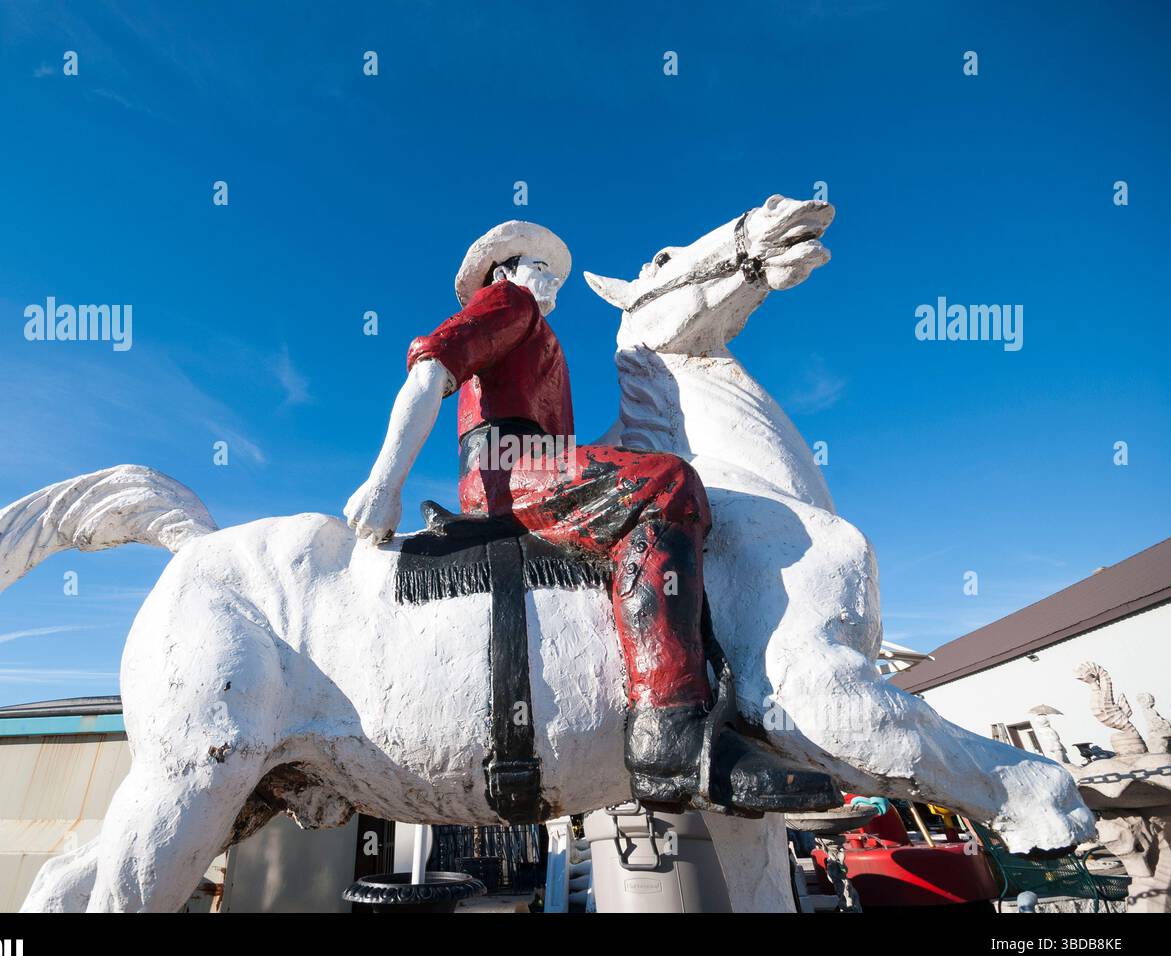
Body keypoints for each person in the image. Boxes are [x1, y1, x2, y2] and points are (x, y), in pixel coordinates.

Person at [345, 220, 836, 814]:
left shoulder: (542, 340)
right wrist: (384, 480)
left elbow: (578, 447)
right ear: (505, 272)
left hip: (537, 465)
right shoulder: (508, 304)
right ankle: (671, 729)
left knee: (649, 469)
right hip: (513, 469)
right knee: (666, 482)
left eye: (552, 272)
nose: (550, 280)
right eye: (539, 267)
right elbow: (429, 367)